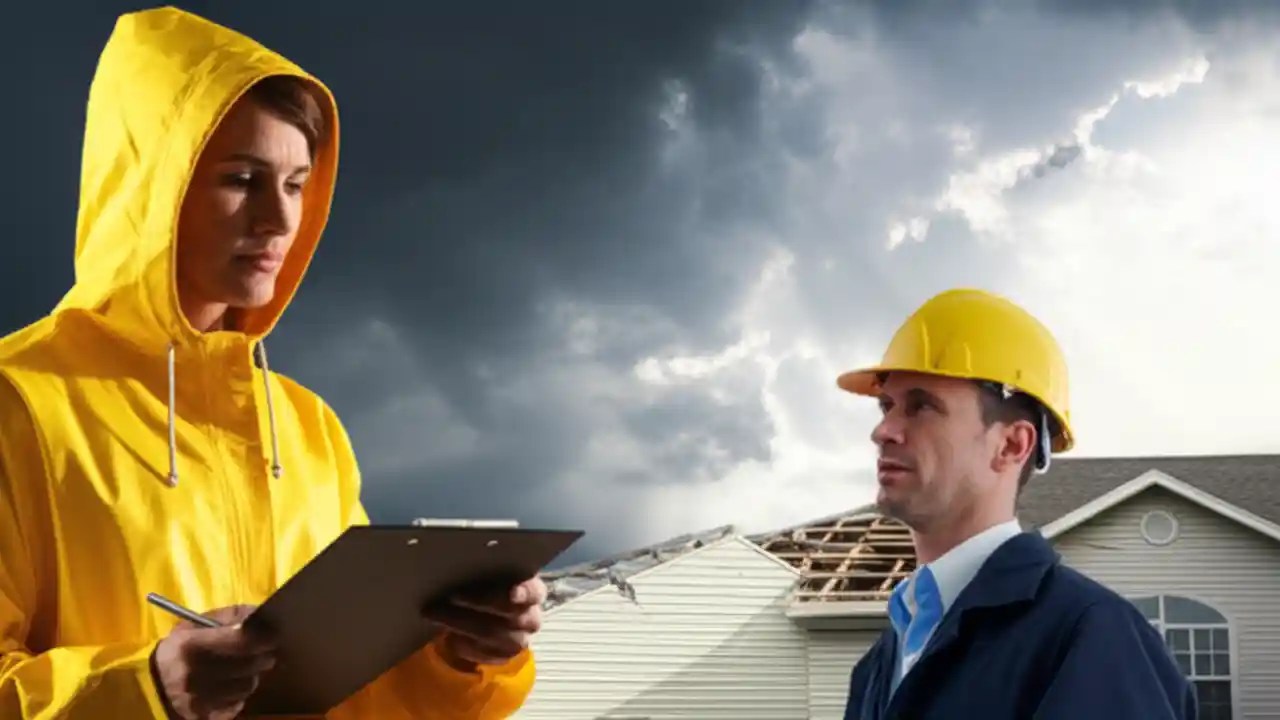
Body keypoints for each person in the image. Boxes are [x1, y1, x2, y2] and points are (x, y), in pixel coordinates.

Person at [0, 7, 542, 719]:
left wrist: (464, 656)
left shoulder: (308, 426)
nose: (280, 220)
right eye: (242, 179)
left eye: (294, 184)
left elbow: (362, 697)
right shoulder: (21, 399)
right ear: (151, 191)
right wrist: (145, 687)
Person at [835, 288, 1197, 719]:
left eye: (921, 408)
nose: (884, 431)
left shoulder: (1090, 636)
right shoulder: (882, 661)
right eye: (886, 406)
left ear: (1011, 444)